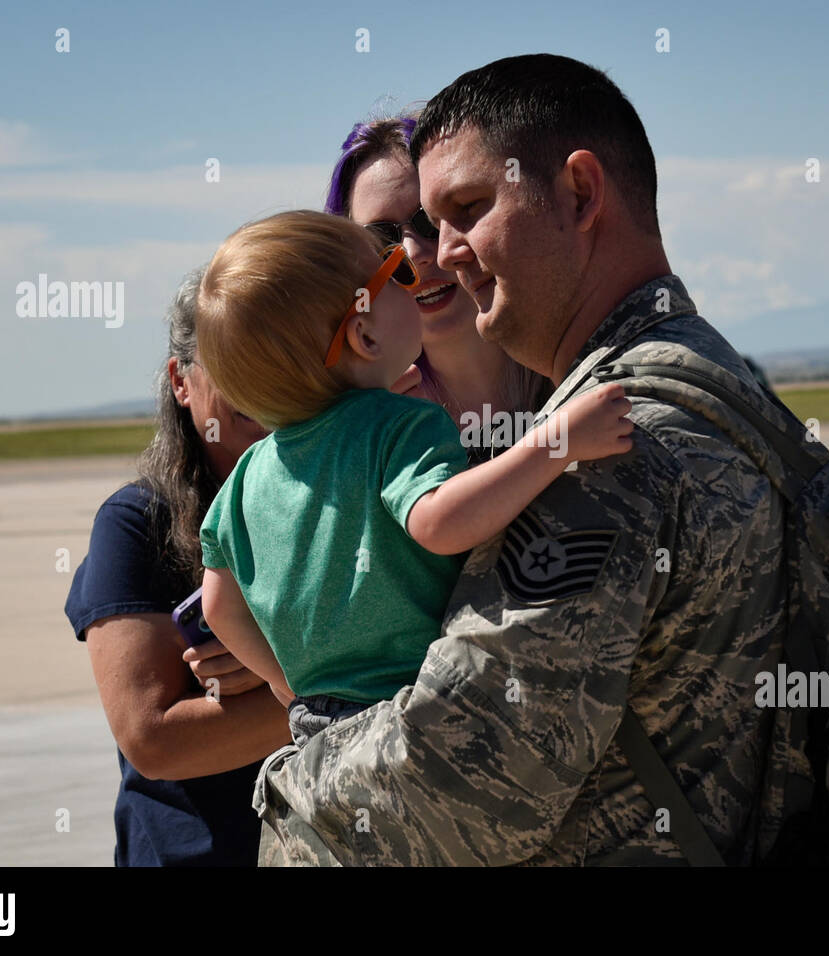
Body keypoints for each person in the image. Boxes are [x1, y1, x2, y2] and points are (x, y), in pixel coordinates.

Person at [254, 53, 793, 866]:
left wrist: (286, 802)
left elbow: (463, 781)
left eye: (464, 212)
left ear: (579, 194)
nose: (439, 254)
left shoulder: (610, 443)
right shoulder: (695, 377)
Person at [190, 210, 634, 735]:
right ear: (366, 337)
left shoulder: (246, 475)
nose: (415, 275)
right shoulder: (403, 423)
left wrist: (285, 681)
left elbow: (219, 606)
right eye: (395, 272)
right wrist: (558, 441)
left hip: (318, 727)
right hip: (420, 711)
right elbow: (440, 522)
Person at [64, 269, 291, 866]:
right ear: (180, 382)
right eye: (229, 356)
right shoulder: (137, 522)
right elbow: (153, 740)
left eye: (272, 353)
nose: (253, 375)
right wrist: (330, 693)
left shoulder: (333, 501)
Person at [325, 113, 550, 458]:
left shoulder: (579, 364)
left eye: (430, 221)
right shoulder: (365, 427)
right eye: (382, 238)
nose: (414, 254)